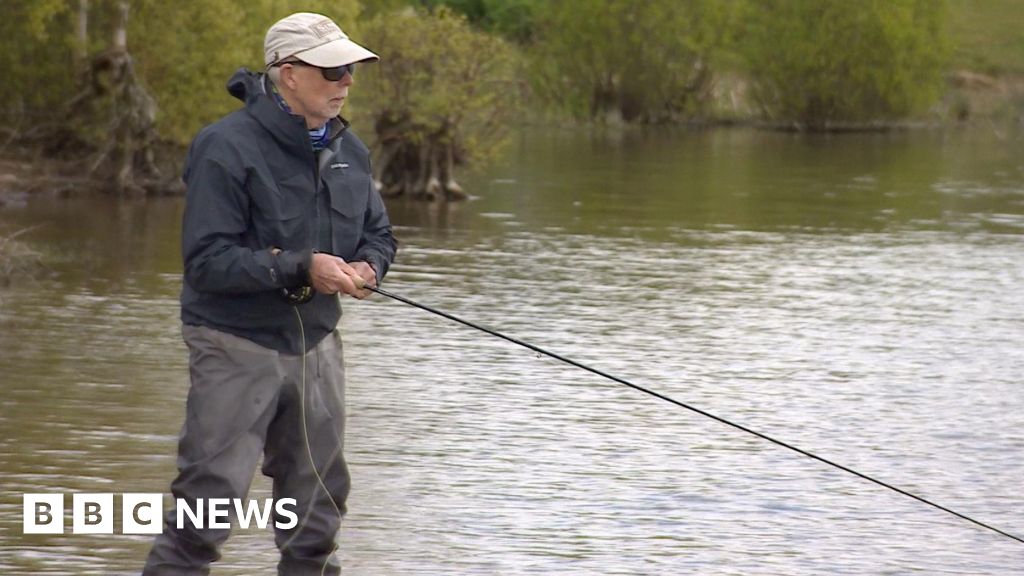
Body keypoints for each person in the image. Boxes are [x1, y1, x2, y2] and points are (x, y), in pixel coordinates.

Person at [143, 12, 396, 576]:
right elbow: (207, 263)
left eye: (350, 69)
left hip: (318, 348)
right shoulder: (224, 147)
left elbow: (380, 236)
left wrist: (368, 267)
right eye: (332, 71)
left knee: (318, 517)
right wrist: (304, 267)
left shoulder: (351, 149)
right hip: (234, 345)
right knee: (205, 512)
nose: (346, 81)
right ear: (287, 74)